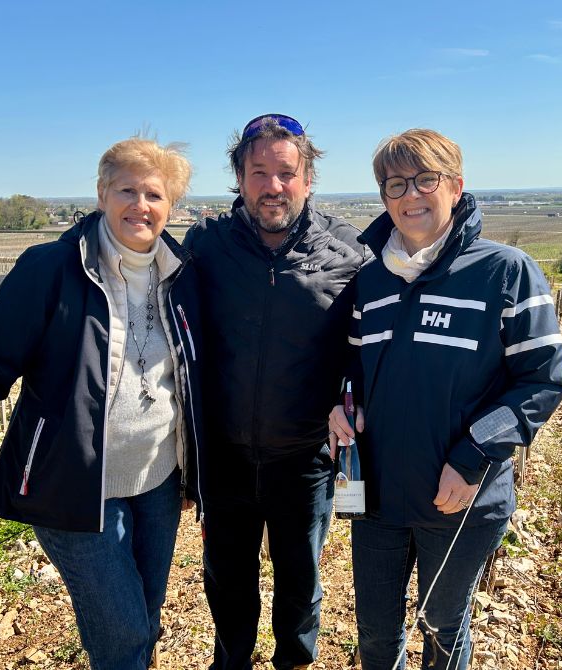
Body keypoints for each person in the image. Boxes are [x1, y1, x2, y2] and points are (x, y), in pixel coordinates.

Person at [0, 138, 203, 670]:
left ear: (171, 205)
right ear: (102, 194)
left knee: (145, 617)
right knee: (124, 634)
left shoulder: (182, 275)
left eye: (154, 194)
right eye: (127, 189)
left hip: (159, 483)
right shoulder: (50, 269)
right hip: (72, 486)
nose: (140, 205)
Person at [328, 128, 562, 669]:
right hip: (378, 497)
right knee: (374, 633)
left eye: (425, 180)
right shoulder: (371, 281)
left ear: (456, 187)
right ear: (383, 196)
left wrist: (469, 460)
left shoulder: (504, 271)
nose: (411, 195)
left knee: (441, 626)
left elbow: (543, 380)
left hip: (458, 498)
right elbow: (349, 369)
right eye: (396, 184)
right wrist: (343, 405)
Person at [183, 114, 368, 670]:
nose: (273, 186)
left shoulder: (347, 254)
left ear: (308, 179)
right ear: (239, 178)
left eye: (285, 173)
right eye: (258, 172)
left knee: (300, 583)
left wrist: (350, 397)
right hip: (226, 458)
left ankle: (295, 661)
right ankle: (230, 662)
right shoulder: (205, 248)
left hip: (305, 457)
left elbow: (365, 349)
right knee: (227, 582)